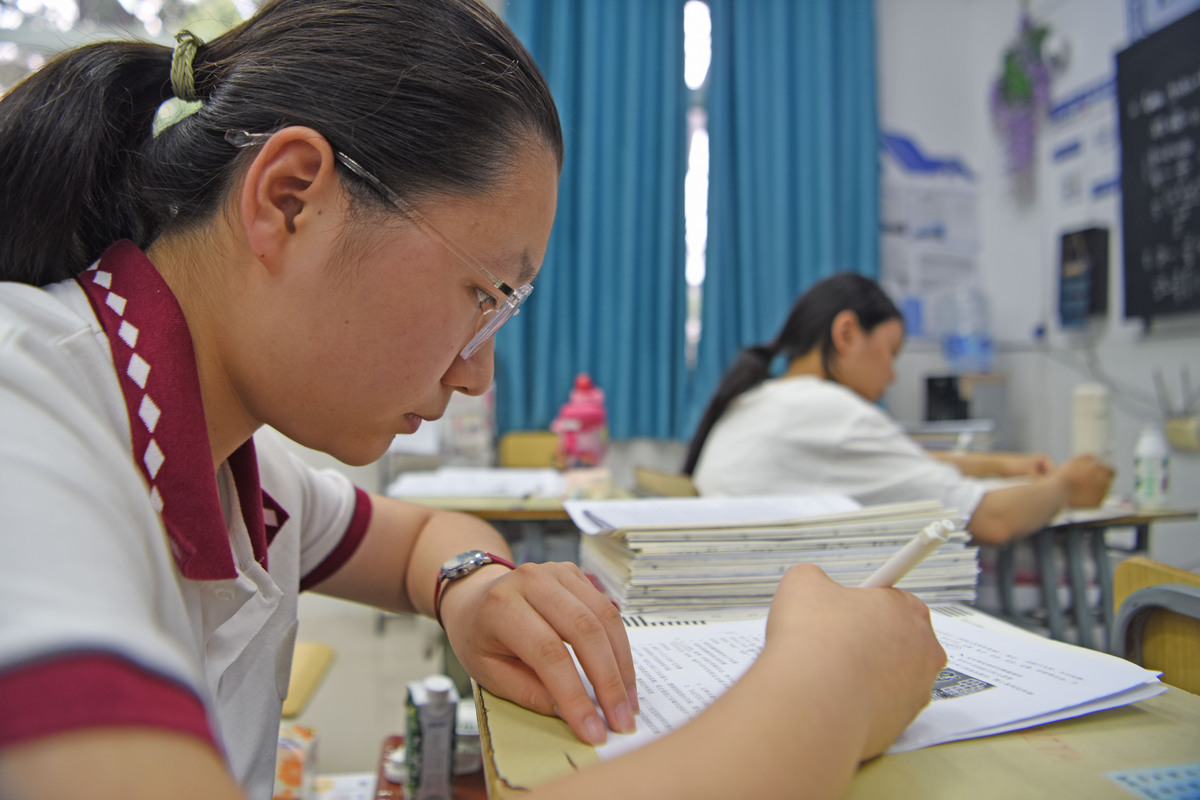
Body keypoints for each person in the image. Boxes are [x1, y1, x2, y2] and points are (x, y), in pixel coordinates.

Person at [0, 4, 945, 799]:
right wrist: (825, 690)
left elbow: (418, 542)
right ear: (290, 199)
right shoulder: (28, 414)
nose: (477, 376)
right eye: (485, 294)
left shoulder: (237, 460)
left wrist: (473, 589)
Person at [686, 273, 1114, 545]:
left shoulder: (758, 399)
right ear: (848, 333)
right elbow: (992, 520)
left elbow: (887, 460)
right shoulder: (832, 411)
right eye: (891, 352)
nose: (892, 375)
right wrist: (1066, 485)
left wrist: (999, 464)